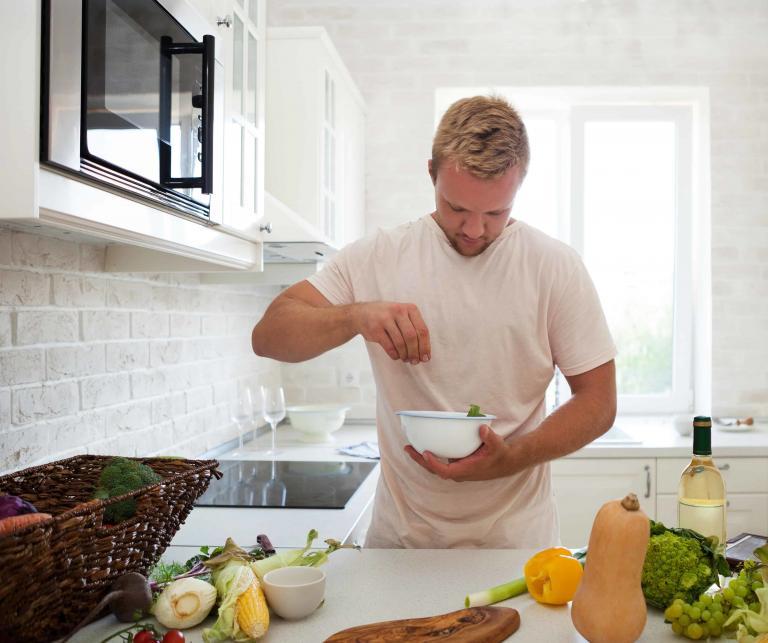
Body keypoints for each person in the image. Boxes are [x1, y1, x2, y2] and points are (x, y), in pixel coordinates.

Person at [251, 95, 617, 549]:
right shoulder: (378, 257)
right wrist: (357, 316)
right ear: (431, 173)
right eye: (457, 207)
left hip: (518, 546)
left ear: (520, 185)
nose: (474, 230)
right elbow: (269, 336)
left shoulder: (554, 267)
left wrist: (512, 457)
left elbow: (599, 400)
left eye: (495, 213)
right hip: (402, 544)